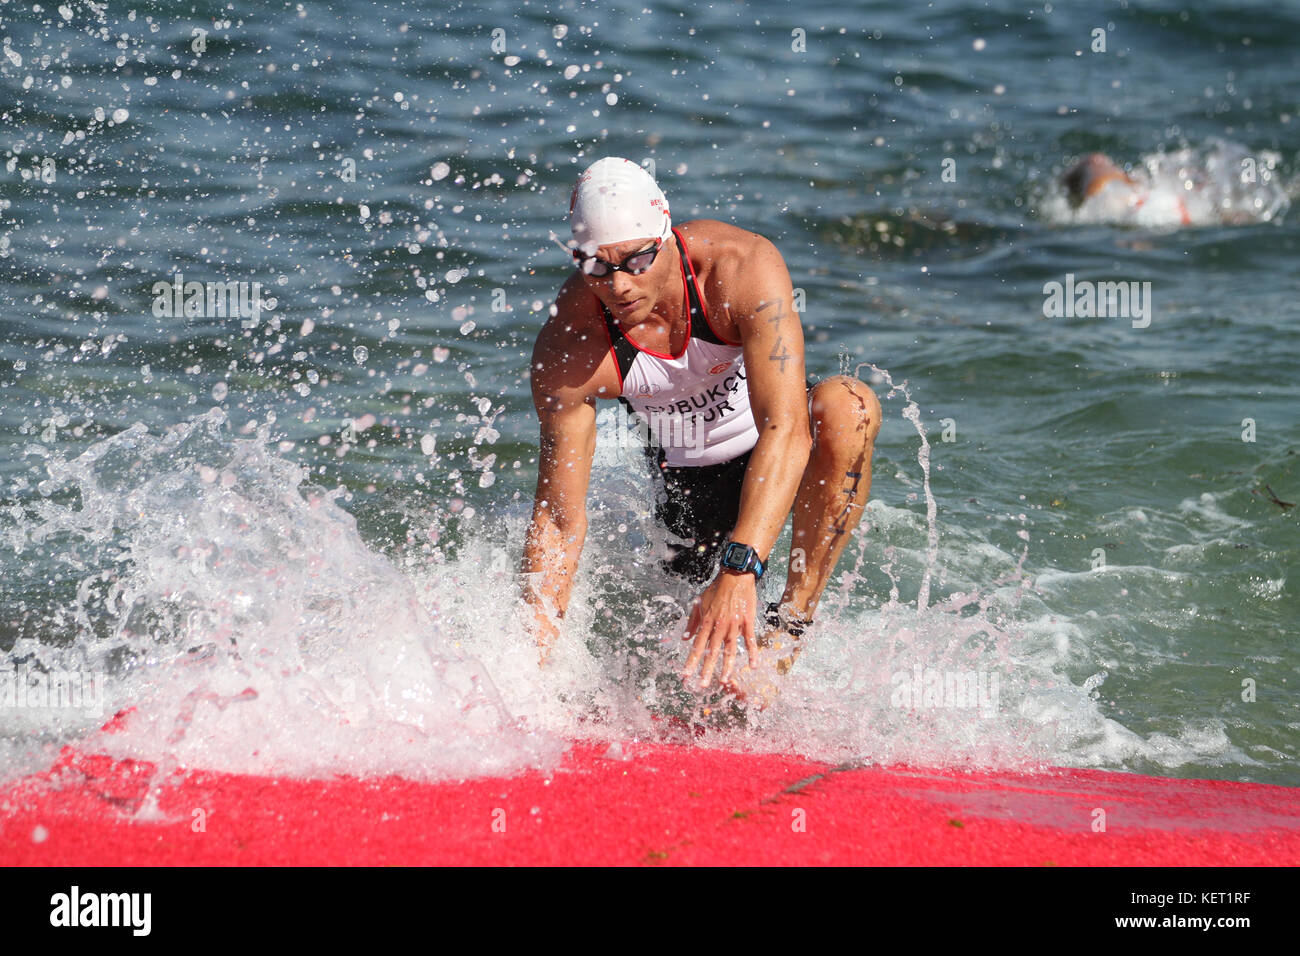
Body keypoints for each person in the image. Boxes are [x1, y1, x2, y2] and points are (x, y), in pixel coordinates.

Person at [521, 157, 881, 693]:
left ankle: (787, 635)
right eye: (596, 266)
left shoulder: (739, 269)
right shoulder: (572, 344)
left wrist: (740, 570)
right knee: (690, 687)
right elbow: (557, 520)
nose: (618, 285)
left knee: (850, 406)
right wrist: (527, 672)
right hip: (687, 487)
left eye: (637, 259)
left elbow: (787, 428)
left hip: (778, 458)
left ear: (666, 234)